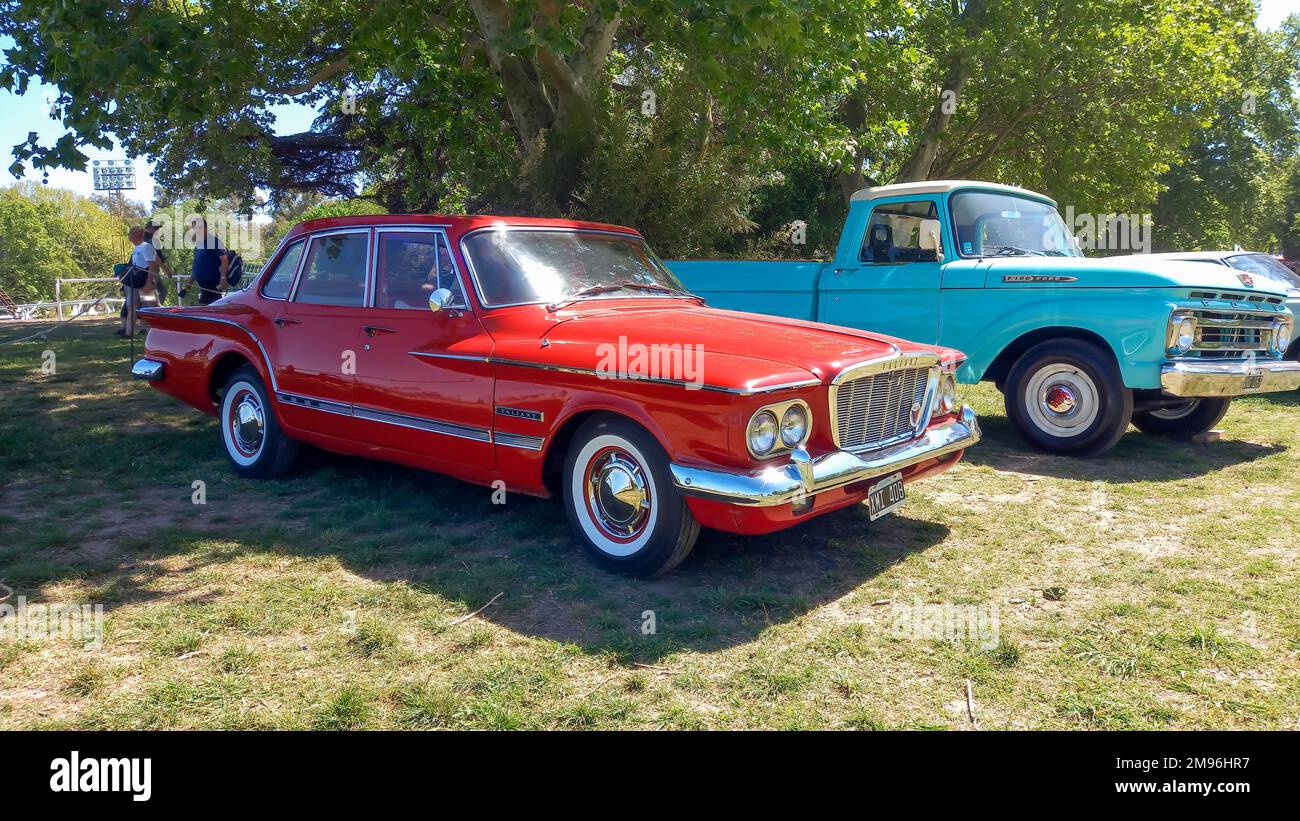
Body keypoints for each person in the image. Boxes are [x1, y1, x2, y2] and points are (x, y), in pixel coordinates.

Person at [120, 226, 158, 336]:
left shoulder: (146, 247)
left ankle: (156, 331)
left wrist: (148, 283)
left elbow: (152, 266)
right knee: (131, 307)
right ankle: (128, 333)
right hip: (134, 283)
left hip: (144, 283)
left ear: (139, 234)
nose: (129, 234)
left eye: (132, 232)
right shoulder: (137, 248)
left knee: (151, 307)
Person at [188, 216, 230, 305]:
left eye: (200, 227)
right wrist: (189, 283)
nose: (197, 230)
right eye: (195, 228)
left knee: (206, 307)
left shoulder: (213, 241)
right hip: (202, 285)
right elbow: (196, 265)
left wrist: (223, 278)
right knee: (210, 307)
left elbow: (225, 260)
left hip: (212, 283)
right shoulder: (198, 244)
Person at [142, 219, 174, 305]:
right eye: (155, 228)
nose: (157, 230)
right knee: (149, 297)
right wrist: (167, 271)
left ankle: (155, 309)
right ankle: (149, 312)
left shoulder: (143, 239)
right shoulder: (151, 241)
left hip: (148, 272)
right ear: (148, 229)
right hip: (150, 272)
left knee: (162, 291)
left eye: (158, 228)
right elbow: (157, 257)